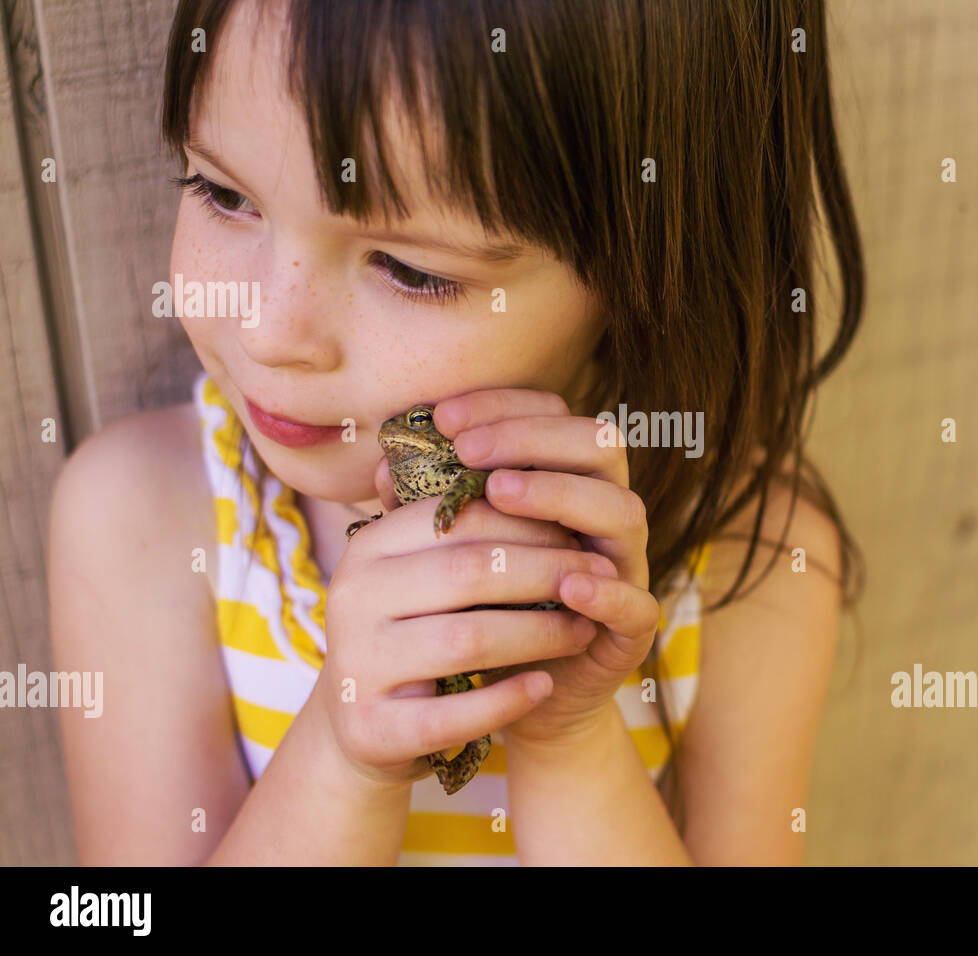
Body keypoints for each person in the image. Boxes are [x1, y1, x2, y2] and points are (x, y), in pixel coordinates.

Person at [46, 0, 864, 865]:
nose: (267, 332)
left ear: (653, 263)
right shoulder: (143, 524)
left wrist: (568, 740)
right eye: (221, 192)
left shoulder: (755, 566)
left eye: (410, 269)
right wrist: (342, 753)